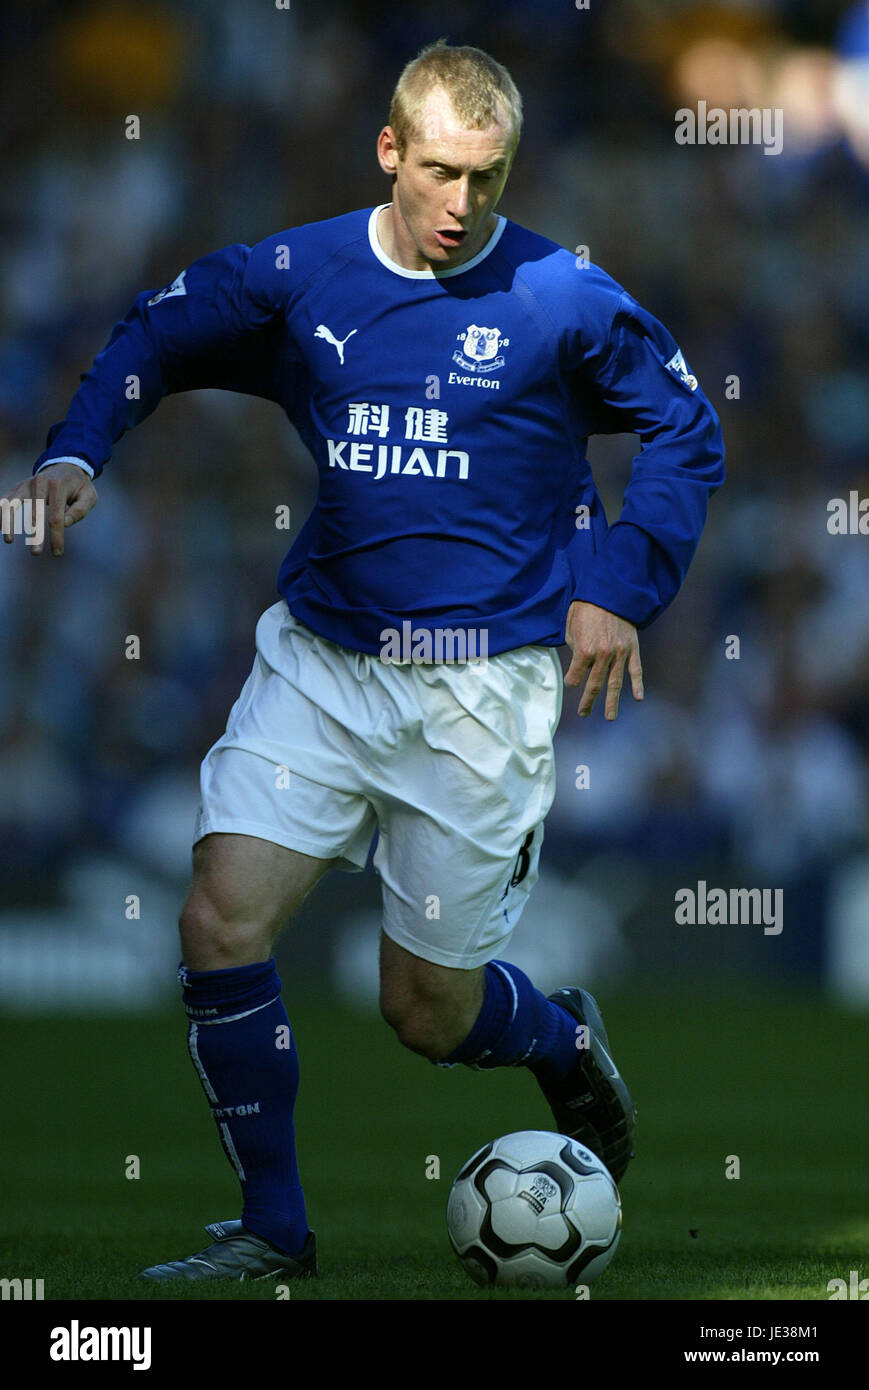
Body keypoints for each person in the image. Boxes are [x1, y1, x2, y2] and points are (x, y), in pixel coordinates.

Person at [1, 40, 724, 1283]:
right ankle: (273, 1229)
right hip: (325, 661)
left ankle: (555, 1042)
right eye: (439, 172)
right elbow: (156, 334)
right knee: (219, 918)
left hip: (481, 693)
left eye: (487, 180)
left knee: (423, 1014)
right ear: (387, 150)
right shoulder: (301, 273)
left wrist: (615, 587)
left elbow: (683, 422)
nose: (461, 207)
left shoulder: (562, 297)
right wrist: (76, 454)